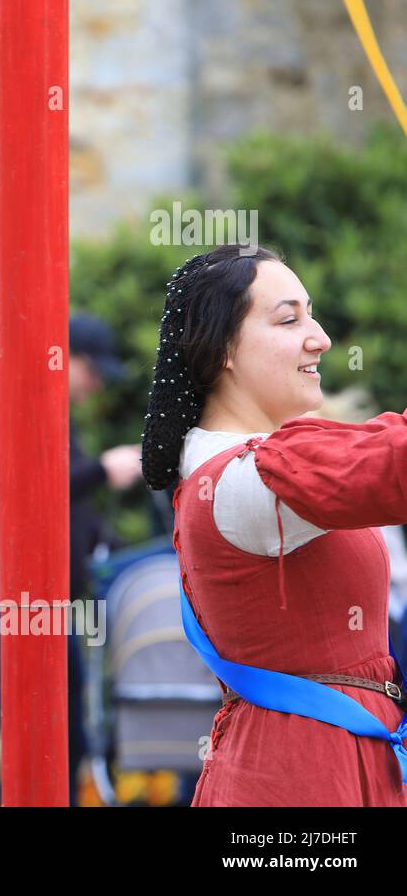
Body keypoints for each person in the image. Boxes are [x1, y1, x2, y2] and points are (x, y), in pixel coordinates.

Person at [143, 245, 407, 806]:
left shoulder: (252, 466)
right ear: (223, 351)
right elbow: (392, 466)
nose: (321, 338)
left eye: (311, 314)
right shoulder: (244, 479)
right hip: (301, 775)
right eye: (289, 319)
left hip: (327, 757)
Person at [0, 313, 143, 804]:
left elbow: (67, 511)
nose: (95, 387)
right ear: (65, 360)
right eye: (92, 372)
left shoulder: (52, 418)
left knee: (59, 741)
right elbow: (21, 486)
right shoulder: (14, 411)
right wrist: (101, 470)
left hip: (52, 608)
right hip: (19, 608)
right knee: (36, 743)